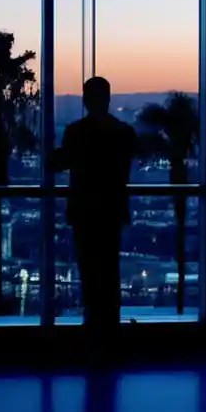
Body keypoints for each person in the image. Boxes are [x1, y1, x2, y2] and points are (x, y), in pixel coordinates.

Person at [52, 76, 137, 329]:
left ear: (86, 100)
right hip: (112, 209)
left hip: (85, 210)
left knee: (89, 268)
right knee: (110, 268)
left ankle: (93, 322)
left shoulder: (76, 132)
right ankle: (110, 323)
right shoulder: (124, 133)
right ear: (108, 99)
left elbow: (59, 162)